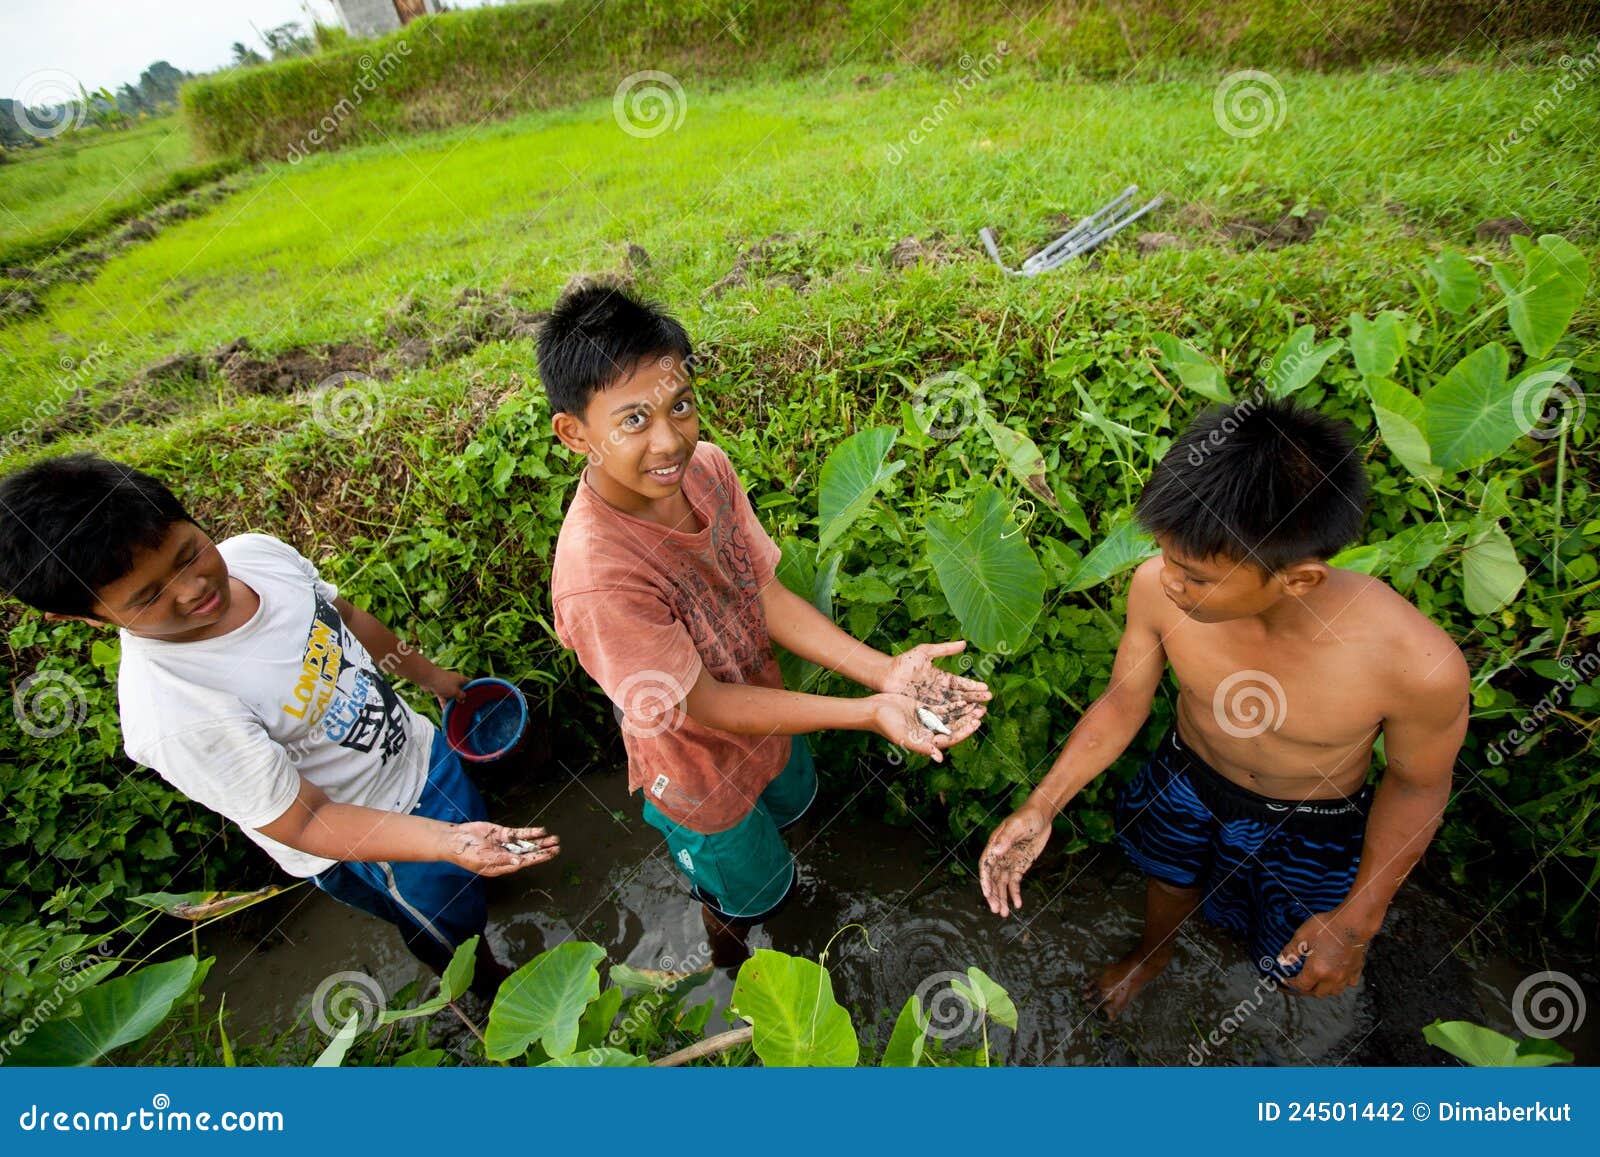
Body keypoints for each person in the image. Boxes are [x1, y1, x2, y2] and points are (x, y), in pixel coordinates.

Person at [540, 284, 990, 966]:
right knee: (741, 902)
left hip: (773, 716)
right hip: (696, 771)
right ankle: (730, 968)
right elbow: (708, 705)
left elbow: (765, 592)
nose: (669, 440)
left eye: (680, 405)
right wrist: (870, 712)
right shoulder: (597, 574)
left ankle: (790, 896)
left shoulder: (707, 469)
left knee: (795, 816)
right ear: (575, 433)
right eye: (634, 420)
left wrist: (884, 671)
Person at [0, 455, 558, 999]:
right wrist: (443, 842)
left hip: (418, 749)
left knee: (471, 848)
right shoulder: (175, 710)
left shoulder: (256, 556)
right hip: (373, 844)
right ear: (80, 617)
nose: (192, 589)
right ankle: (488, 985)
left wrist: (429, 675)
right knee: (448, 928)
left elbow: (350, 619)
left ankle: (475, 874)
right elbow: (305, 819)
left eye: (189, 555)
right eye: (148, 597)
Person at [979, 399, 1468, 1017]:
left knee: (1292, 950)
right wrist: (1042, 805)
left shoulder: (1414, 665)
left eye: (1196, 577)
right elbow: (1125, 700)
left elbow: (1417, 785)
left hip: (1307, 823)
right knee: (1168, 876)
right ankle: (1153, 953)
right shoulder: (1159, 586)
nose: (1170, 583)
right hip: (1187, 777)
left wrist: (1355, 923)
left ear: (1298, 579)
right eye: (1166, 558)